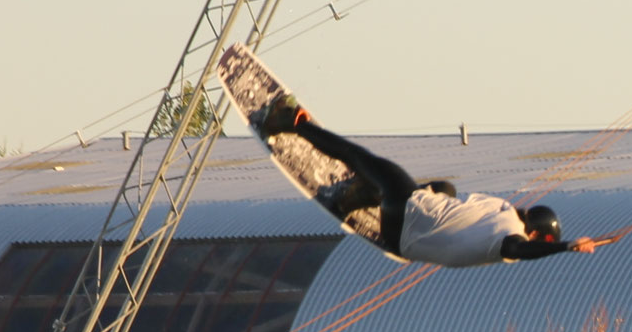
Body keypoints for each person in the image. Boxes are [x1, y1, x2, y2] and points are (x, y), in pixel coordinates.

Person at [255, 97, 602, 268]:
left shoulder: (508, 237)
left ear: (536, 229)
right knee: (445, 188)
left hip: (409, 212)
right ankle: (358, 198)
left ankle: (289, 123)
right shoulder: (499, 228)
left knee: (359, 157)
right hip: (405, 241)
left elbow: (521, 250)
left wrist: (566, 247)